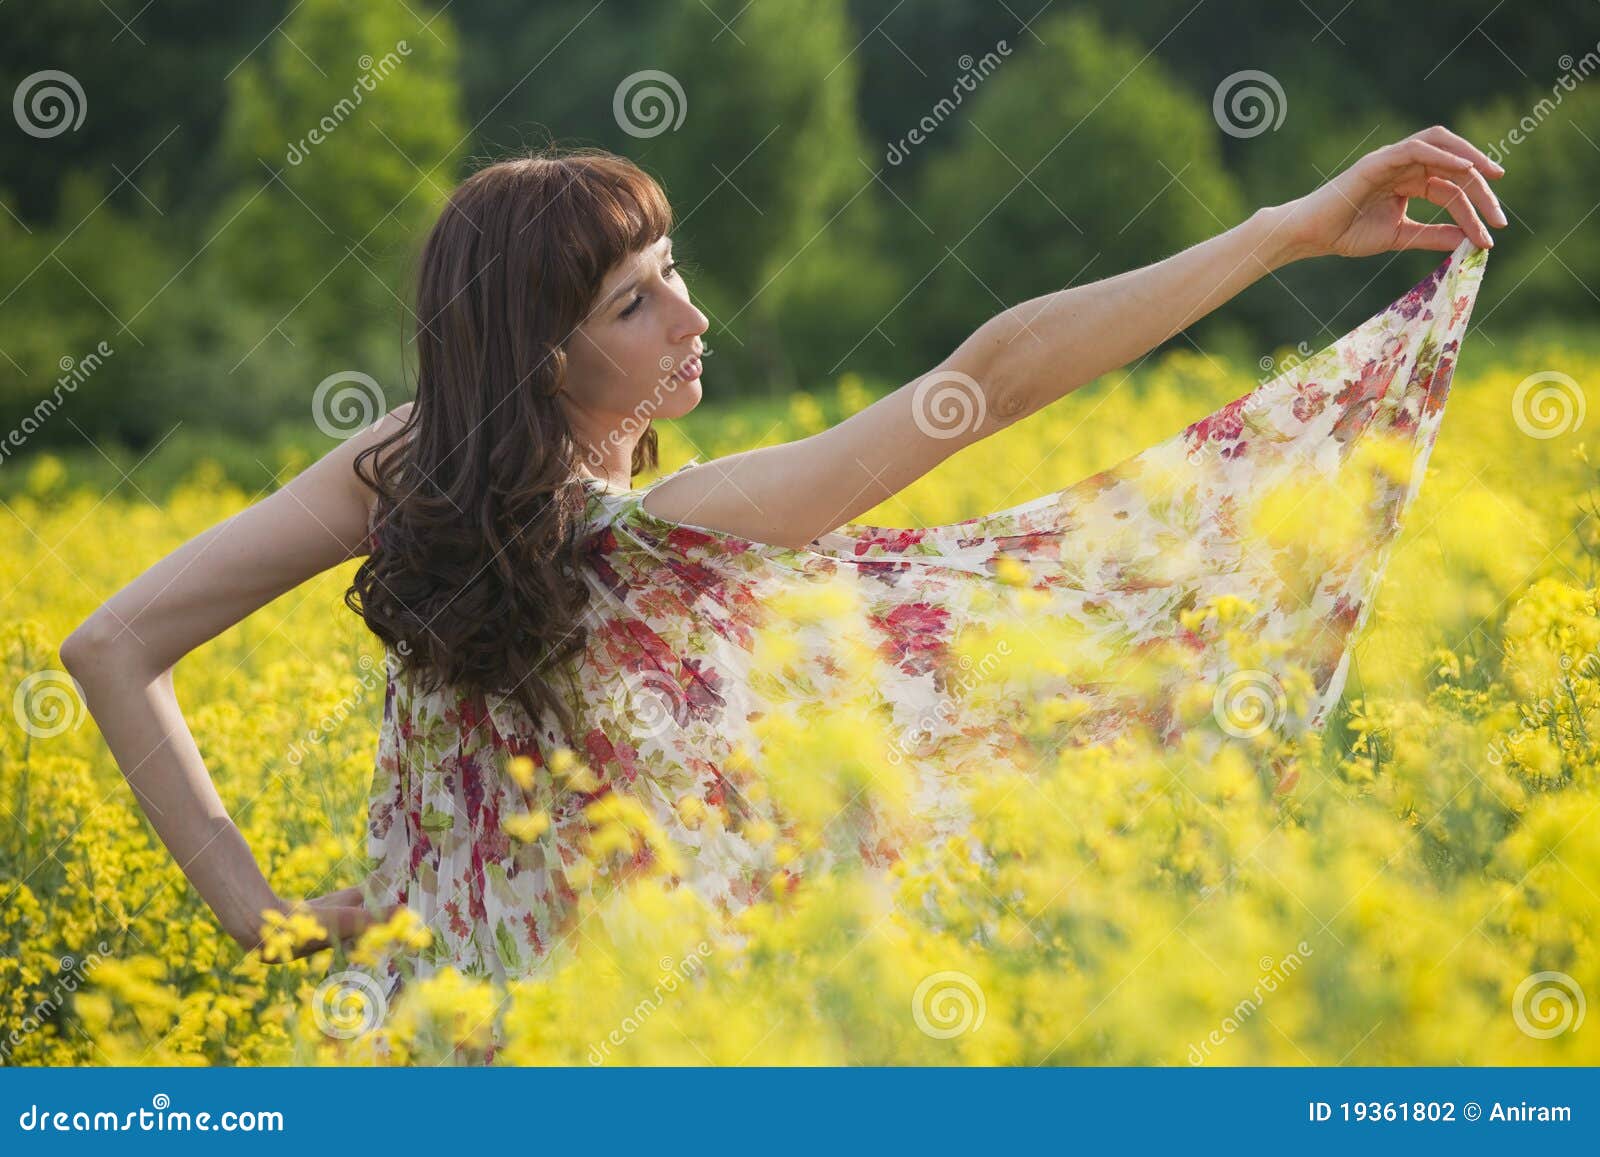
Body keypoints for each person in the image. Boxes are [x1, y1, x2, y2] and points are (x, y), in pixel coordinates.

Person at [60, 129, 1502, 1048]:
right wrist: (1284, 231)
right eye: (636, 302)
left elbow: (112, 643)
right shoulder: (663, 533)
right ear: (547, 358)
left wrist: (258, 915)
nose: (694, 316)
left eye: (673, 268)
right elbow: (989, 381)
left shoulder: (402, 471)